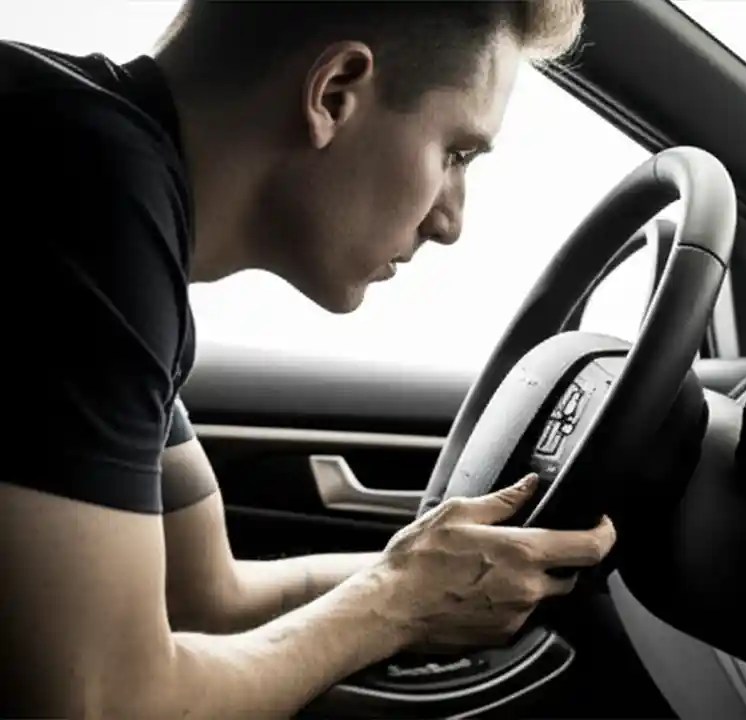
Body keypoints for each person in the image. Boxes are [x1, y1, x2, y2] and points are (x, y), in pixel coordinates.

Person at [0, 1, 618, 717]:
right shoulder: (83, 198)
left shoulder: (102, 173)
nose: (450, 221)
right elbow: (107, 704)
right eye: (455, 153)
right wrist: (394, 604)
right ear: (335, 93)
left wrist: (420, 576)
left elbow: (204, 598)